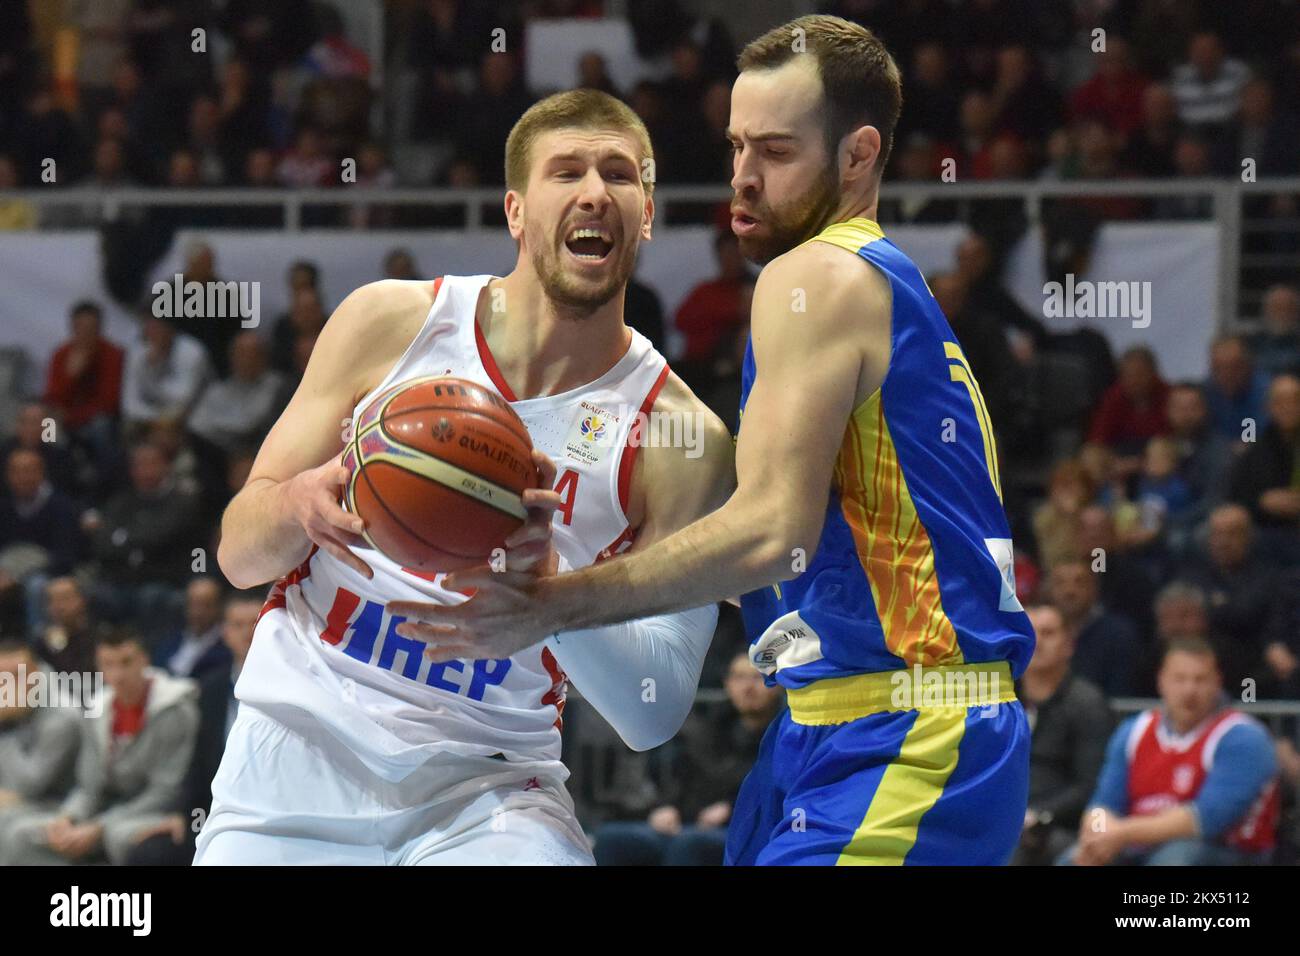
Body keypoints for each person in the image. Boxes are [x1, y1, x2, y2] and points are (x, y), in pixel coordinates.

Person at [398, 16, 1036, 866]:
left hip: (910, 724)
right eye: (736, 147)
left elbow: (775, 536)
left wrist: (552, 604)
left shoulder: (815, 276)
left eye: (774, 152)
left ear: (858, 155)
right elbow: (834, 548)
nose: (741, 178)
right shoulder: (877, 283)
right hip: (834, 717)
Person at [198, 89, 734, 866]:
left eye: (621, 174)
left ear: (646, 214)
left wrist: (546, 595)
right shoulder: (390, 321)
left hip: (488, 791)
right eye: (568, 171)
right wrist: (295, 506)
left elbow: (654, 711)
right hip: (293, 759)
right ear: (516, 211)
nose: (594, 192)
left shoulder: (682, 439)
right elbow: (237, 556)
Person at [1059, 638, 1279, 866]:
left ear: (1217, 683)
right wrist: (1097, 836)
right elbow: (1102, 805)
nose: (1189, 690)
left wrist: (1120, 833)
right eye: (1179, 679)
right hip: (1136, 843)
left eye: (1200, 680)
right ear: (1161, 681)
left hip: (1225, 851)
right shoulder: (1134, 730)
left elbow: (1203, 820)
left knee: (1176, 858)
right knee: (1074, 859)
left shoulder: (1243, 736)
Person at [1, 629, 199, 865]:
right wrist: (68, 818)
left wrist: (100, 826)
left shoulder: (174, 711)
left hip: (150, 813)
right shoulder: (98, 710)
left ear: (145, 660)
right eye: (108, 664)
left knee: (118, 836)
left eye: (126, 663)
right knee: (22, 835)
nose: (118, 674)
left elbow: (165, 791)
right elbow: (88, 787)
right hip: (103, 811)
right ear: (98, 666)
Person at [593, 652, 784, 865]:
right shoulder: (710, 728)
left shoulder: (788, 734)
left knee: (689, 844)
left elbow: (778, 792)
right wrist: (666, 807)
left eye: (757, 678)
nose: (747, 687)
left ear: (777, 684)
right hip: (690, 823)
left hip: (747, 828)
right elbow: (684, 778)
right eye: (739, 677)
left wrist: (730, 809)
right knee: (612, 839)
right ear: (728, 683)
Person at [1012, 605, 1110, 866]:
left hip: (1059, 827)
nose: (1037, 642)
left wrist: (1038, 814)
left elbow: (1090, 785)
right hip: (1001, 815)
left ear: (1069, 645)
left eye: (1048, 633)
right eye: (1030, 633)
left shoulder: (1088, 703)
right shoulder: (1000, 699)